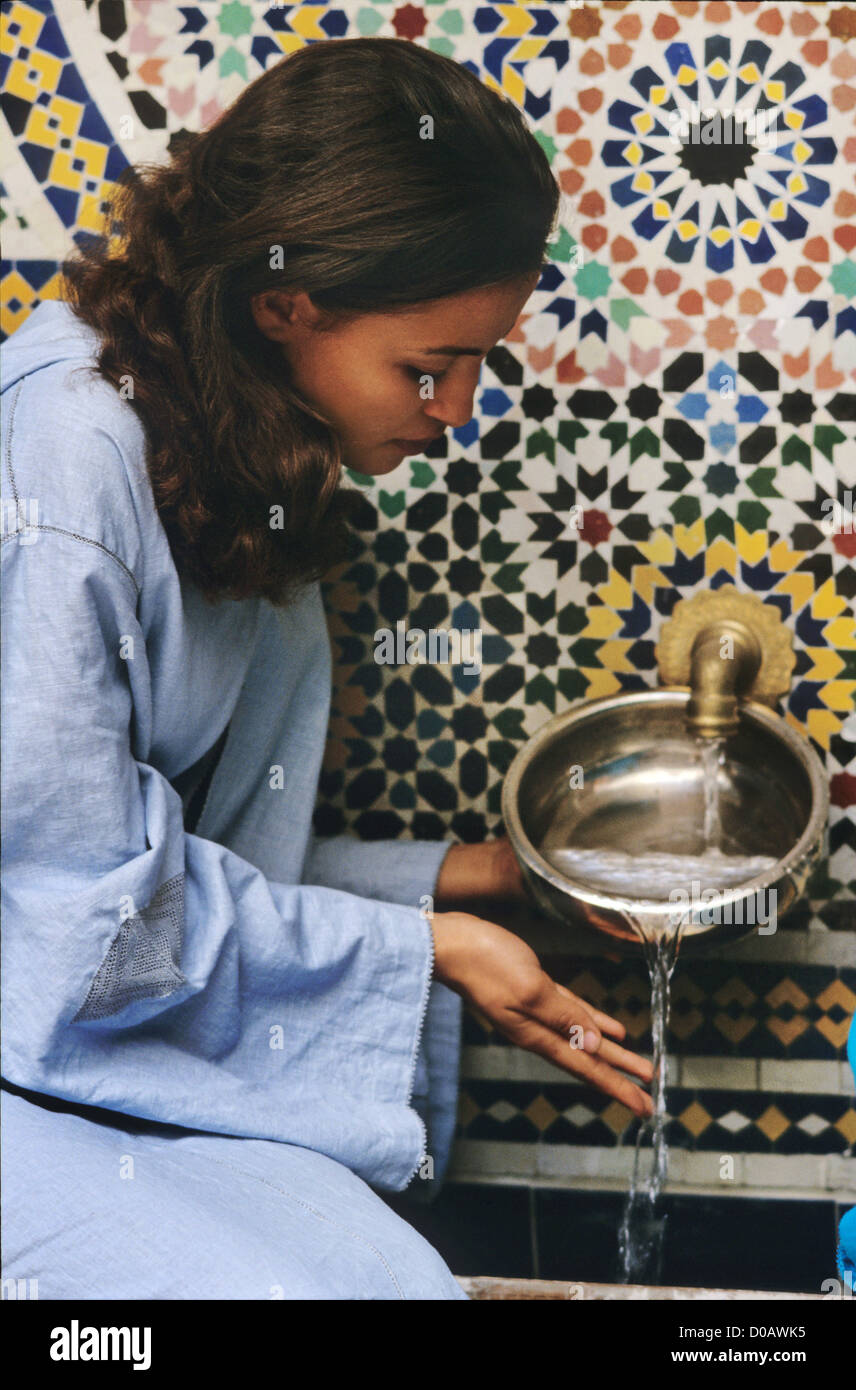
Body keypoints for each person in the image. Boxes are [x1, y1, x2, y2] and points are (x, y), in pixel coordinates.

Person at [0, 37, 653, 1300]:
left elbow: (197, 860)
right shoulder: (64, 473)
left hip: (61, 1045)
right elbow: (77, 921)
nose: (457, 410)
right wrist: (430, 949)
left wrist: (498, 882)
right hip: (29, 1032)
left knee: (395, 1288)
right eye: (430, 365)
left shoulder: (249, 475)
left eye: (481, 362)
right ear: (285, 304)